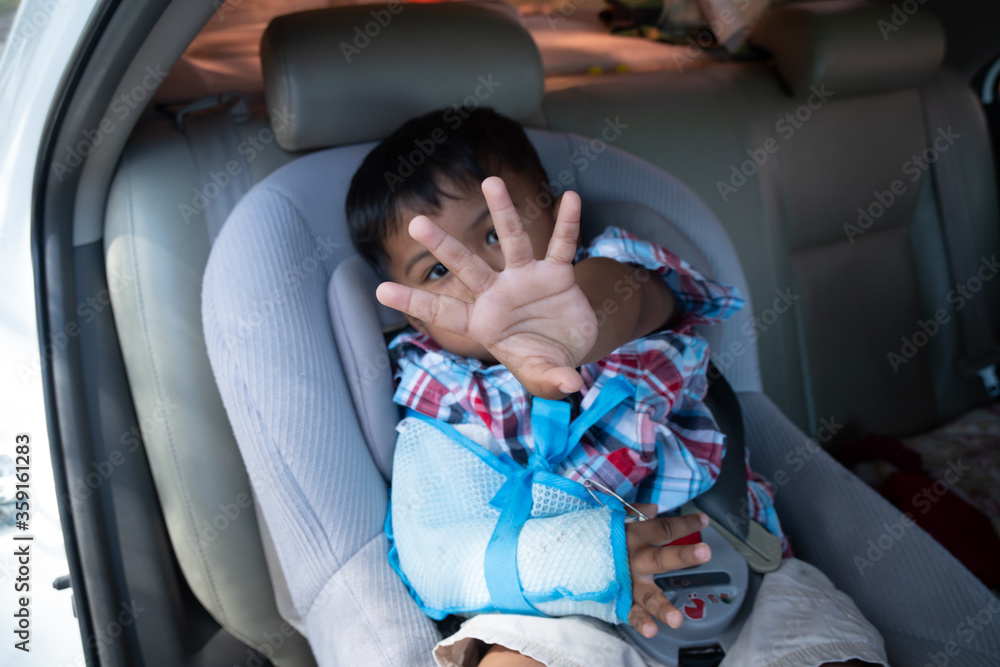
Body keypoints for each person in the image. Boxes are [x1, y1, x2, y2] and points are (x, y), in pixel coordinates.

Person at [345, 107, 887, 667]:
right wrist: (582, 557)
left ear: (556, 214)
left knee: (829, 643)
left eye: (494, 231)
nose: (482, 274)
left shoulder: (609, 273)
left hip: (730, 562)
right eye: (436, 271)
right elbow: (436, 553)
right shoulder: (436, 395)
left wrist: (575, 325)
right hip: (555, 608)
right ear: (417, 319)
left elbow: (633, 298)